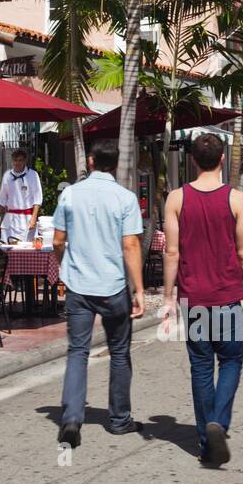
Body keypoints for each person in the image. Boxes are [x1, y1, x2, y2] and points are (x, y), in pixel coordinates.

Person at [161, 133, 243, 466]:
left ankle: (206, 440)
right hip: (227, 296)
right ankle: (219, 421)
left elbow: (171, 251)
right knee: (230, 360)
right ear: (221, 161)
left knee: (201, 367)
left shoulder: (176, 199)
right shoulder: (237, 199)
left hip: (193, 298)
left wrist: (168, 297)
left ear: (192, 160)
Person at [52, 139, 145, 448]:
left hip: (78, 284)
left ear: (90, 161)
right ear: (115, 163)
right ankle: (119, 420)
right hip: (113, 285)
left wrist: (65, 265)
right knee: (119, 352)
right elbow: (130, 244)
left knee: (77, 352)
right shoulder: (125, 197)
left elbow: (57, 240)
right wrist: (139, 288)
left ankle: (72, 419)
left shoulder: (70, 193)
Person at [0, 149, 43, 243]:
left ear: (25, 161)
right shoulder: (7, 176)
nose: (17, 163)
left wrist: (34, 218)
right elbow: (2, 199)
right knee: (6, 249)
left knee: (26, 249)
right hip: (9, 220)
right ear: (12, 161)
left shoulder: (33, 175)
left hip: (26, 220)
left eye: (20, 160)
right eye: (15, 160)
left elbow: (37, 198)